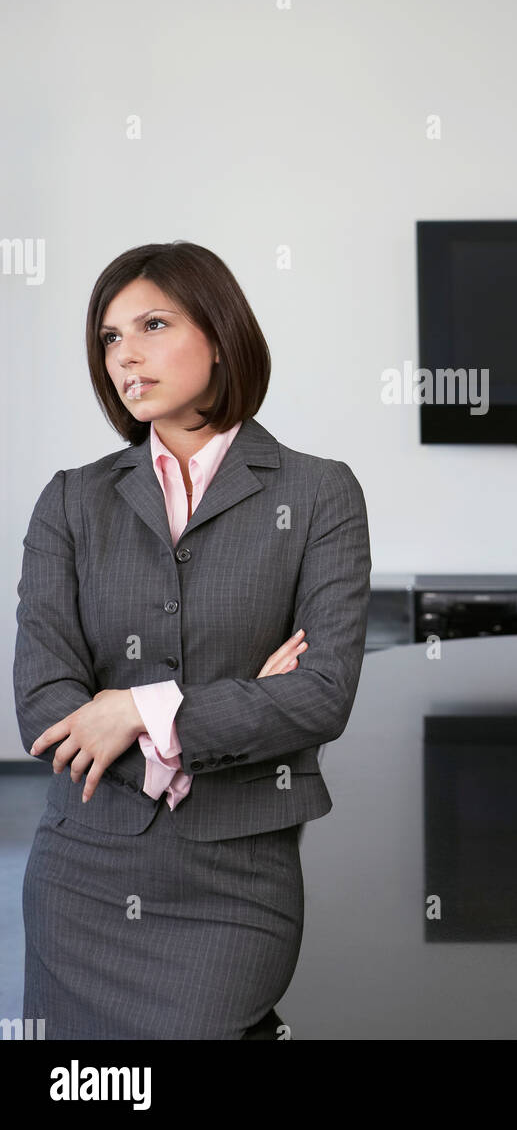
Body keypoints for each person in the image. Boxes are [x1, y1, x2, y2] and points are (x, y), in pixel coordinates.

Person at [14, 240, 372, 1039]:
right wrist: (243, 699)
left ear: (219, 332)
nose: (124, 354)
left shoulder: (319, 495)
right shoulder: (72, 502)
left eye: (150, 324)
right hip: (84, 872)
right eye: (109, 337)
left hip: (236, 879)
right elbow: (45, 710)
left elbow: (320, 696)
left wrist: (137, 709)